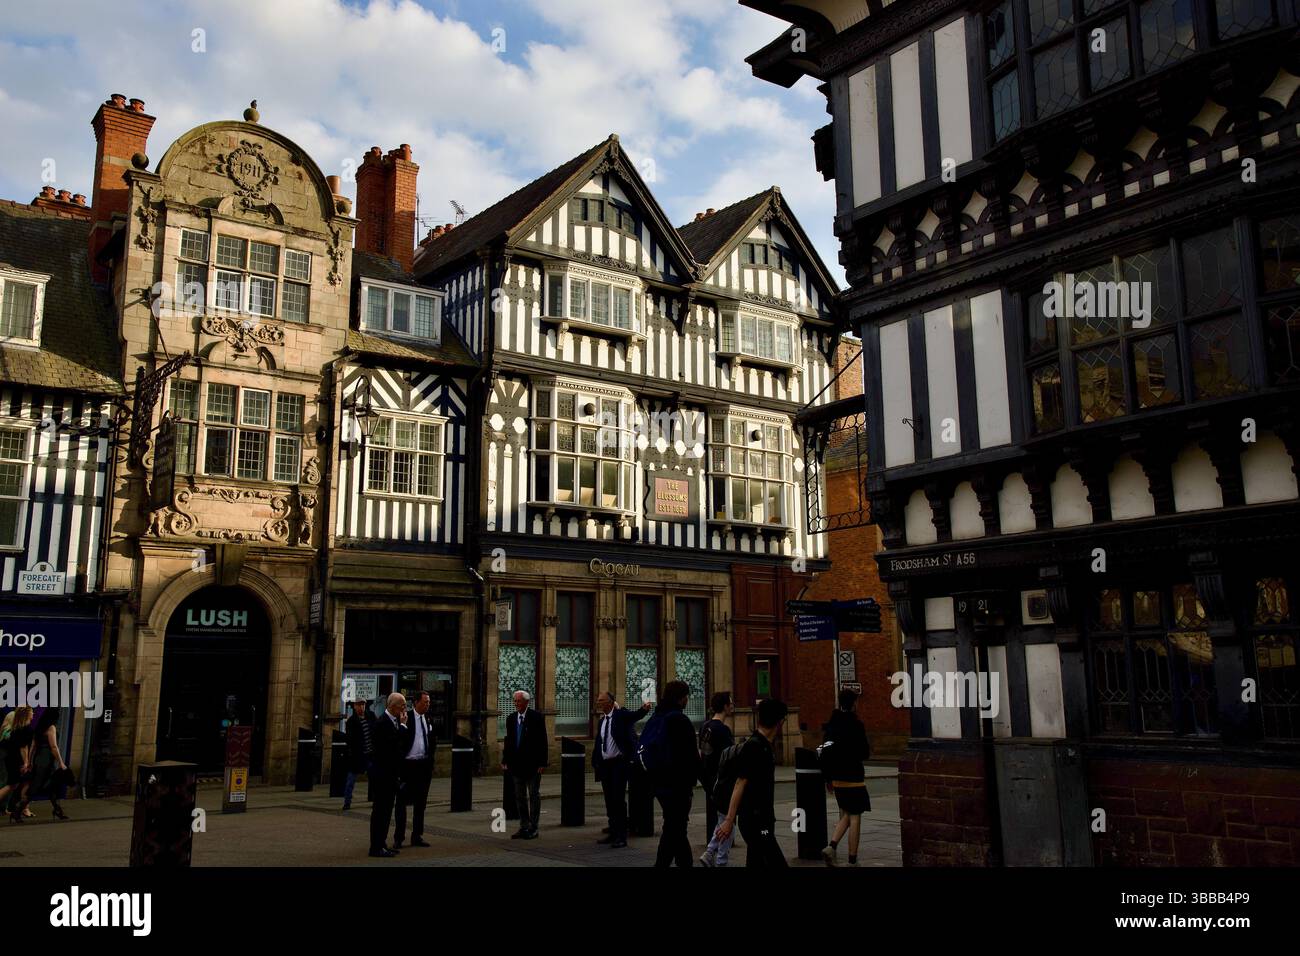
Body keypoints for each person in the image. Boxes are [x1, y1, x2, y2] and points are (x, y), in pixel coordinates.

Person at [716, 698, 789, 868]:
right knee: (775, 860)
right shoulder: (755, 747)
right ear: (779, 722)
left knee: (756, 860)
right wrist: (728, 820)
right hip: (756, 821)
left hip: (761, 818)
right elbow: (740, 783)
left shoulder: (762, 745)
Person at [648, 680, 701, 867]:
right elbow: (691, 757)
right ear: (681, 698)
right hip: (678, 785)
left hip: (659, 783)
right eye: (686, 696)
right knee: (675, 829)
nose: (687, 700)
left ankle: (681, 863)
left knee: (674, 827)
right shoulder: (680, 720)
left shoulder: (657, 717)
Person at [591, 691, 651, 848]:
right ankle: (613, 831)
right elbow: (600, 741)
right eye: (598, 701)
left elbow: (635, 716)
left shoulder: (620, 715)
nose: (599, 703)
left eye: (602, 701)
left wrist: (644, 709)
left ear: (611, 702)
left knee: (618, 800)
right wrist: (596, 760)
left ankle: (621, 836)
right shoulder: (602, 721)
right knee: (609, 801)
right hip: (605, 765)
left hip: (619, 764)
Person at [821, 688, 871, 867]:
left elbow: (824, 752)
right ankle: (852, 858)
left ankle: (831, 846)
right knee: (855, 816)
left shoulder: (832, 725)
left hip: (836, 778)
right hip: (854, 777)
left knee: (847, 813)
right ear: (854, 704)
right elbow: (865, 752)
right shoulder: (857, 725)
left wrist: (827, 778)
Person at [368, 692, 411, 858]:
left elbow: (402, 746)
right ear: (392, 706)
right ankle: (376, 847)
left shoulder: (394, 722)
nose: (404, 708)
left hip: (392, 774)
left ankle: (382, 843)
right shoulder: (382, 724)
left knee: (386, 812)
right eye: (402, 705)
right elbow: (391, 747)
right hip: (382, 775)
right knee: (380, 812)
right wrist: (403, 727)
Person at [501, 690, 547, 840]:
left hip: (533, 765)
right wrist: (505, 760)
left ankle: (534, 827)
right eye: (514, 701)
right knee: (519, 797)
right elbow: (508, 741)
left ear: (526, 702)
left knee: (534, 795)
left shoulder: (536, 717)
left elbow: (543, 740)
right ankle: (524, 826)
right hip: (516, 765)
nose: (516, 704)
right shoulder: (511, 719)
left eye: (518, 701)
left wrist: (542, 762)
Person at [698, 691, 735, 867]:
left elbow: (703, 754)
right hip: (722, 782)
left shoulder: (705, 726)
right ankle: (720, 860)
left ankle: (710, 852)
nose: (732, 705)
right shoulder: (723, 730)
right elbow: (730, 758)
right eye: (731, 703)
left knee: (722, 819)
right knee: (728, 821)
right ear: (725, 706)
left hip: (709, 780)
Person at [394, 691, 435, 849]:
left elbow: (432, 741)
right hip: (408, 765)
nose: (427, 704)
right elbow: (399, 740)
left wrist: (430, 760)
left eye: (429, 702)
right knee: (401, 803)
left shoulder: (428, 719)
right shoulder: (406, 717)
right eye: (425, 702)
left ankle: (417, 835)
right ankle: (399, 837)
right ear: (416, 702)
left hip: (423, 765)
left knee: (420, 804)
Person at [29, 708, 68, 820]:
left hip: (39, 758)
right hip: (46, 760)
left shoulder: (39, 728)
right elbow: (54, 747)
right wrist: (61, 762)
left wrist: (30, 760)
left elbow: (33, 746)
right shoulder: (51, 728)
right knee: (36, 785)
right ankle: (18, 810)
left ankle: (57, 810)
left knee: (52, 786)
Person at [1, 707, 35, 822]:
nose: (33, 714)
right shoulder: (26, 729)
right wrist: (26, 762)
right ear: (26, 715)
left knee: (13, 784)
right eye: (31, 713)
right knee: (12, 784)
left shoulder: (16, 728)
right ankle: (21, 808)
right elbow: (23, 747)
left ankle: (21, 808)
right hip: (16, 759)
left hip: (11, 758)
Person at [341, 698, 375, 812]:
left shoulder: (371, 716)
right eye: (359, 705)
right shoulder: (351, 721)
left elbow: (376, 732)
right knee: (350, 780)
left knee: (375, 778)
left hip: (370, 755)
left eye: (363, 705)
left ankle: (374, 799)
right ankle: (347, 802)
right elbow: (350, 739)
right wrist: (352, 753)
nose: (361, 707)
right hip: (357, 756)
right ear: (354, 707)